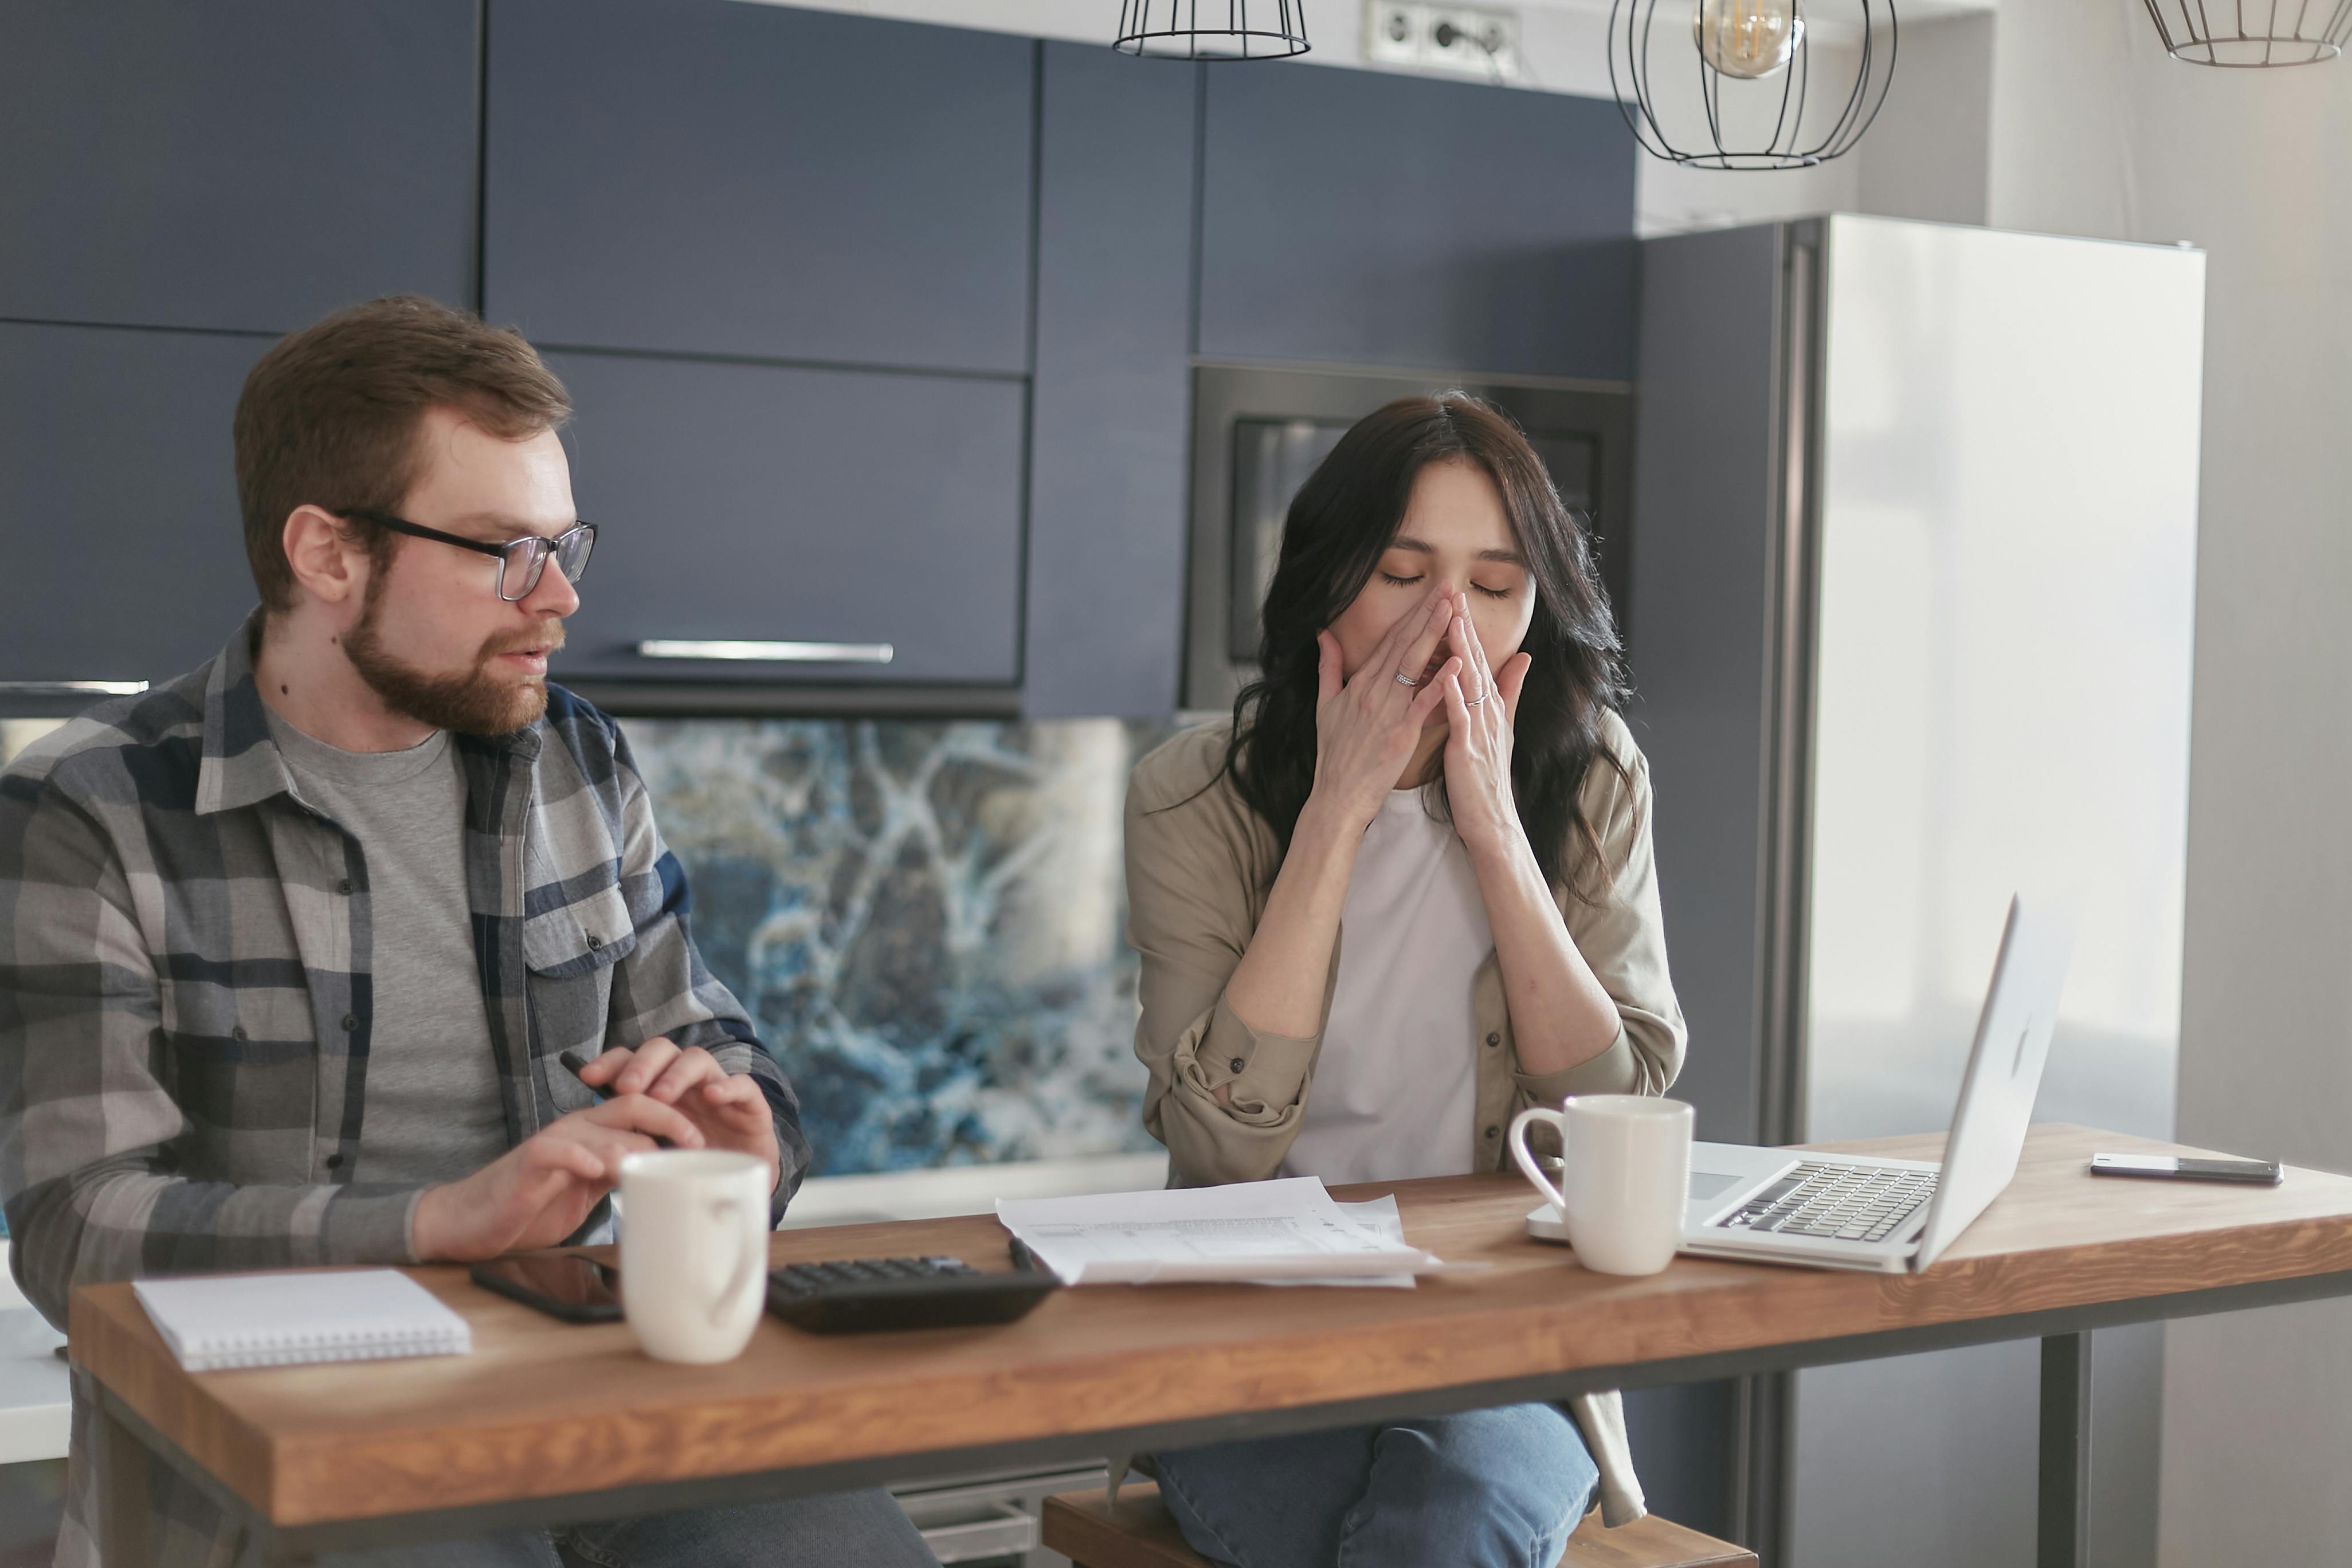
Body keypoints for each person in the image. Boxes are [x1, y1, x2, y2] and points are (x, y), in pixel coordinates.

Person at [0, 296, 937, 1568]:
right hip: (285, 1459)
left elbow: (722, 1047)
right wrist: (440, 1222)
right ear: (328, 555)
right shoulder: (89, 808)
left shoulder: (576, 760)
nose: (557, 598)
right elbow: (73, 1231)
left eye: (566, 546)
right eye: (504, 550)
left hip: (610, 1415)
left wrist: (748, 1137)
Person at [1124, 393, 1688, 1567]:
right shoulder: (1191, 796)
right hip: (1250, 1336)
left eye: (1494, 584)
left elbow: (1611, 1124)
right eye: (1402, 571)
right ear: (1331, 580)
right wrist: (1338, 812)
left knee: (1450, 1515)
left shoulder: (1594, 781)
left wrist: (1495, 838)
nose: (1449, 623)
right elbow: (1216, 1148)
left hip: (1507, 1347)